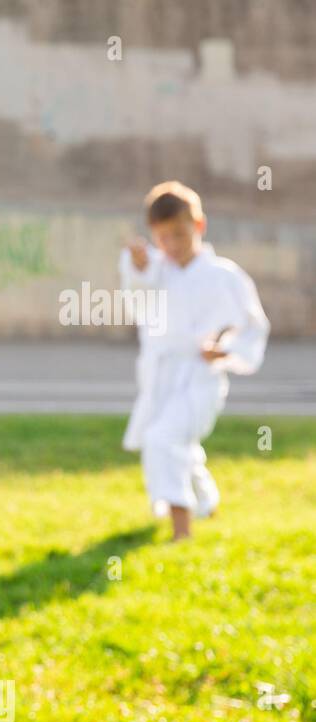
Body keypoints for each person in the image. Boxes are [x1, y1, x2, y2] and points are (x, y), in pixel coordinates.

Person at [120, 181, 269, 541]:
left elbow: (253, 326)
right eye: (162, 238)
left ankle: (181, 530)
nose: (171, 245)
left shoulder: (224, 276)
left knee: (163, 439)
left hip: (201, 377)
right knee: (180, 445)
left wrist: (225, 350)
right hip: (161, 376)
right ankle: (207, 500)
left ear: (198, 226)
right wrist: (137, 266)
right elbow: (137, 294)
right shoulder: (156, 269)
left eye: (179, 234)